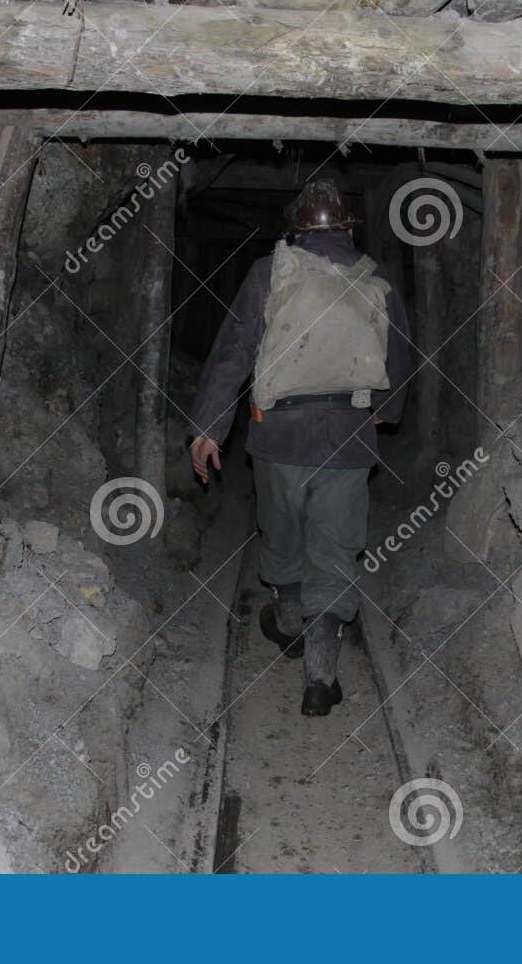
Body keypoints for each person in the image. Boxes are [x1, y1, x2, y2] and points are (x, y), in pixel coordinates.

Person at [188, 178, 409, 716]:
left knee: (282, 533)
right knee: (333, 552)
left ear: (296, 228)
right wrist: (384, 415)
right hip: (347, 437)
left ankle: (288, 625)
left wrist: (208, 428)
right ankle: (319, 679)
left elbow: (233, 352)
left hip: (277, 436)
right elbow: (398, 360)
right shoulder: (375, 279)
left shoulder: (269, 273)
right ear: (348, 227)